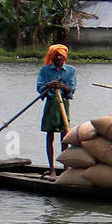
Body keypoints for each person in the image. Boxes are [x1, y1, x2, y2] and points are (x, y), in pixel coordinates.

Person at [36, 44, 77, 178]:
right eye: (56, 55)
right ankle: (52, 169)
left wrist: (62, 86)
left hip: (64, 104)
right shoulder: (45, 70)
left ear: (64, 57)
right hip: (51, 104)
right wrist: (48, 85)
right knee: (50, 136)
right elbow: (40, 88)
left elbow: (71, 90)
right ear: (52, 57)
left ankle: (65, 170)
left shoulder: (70, 70)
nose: (58, 57)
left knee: (65, 137)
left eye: (61, 55)